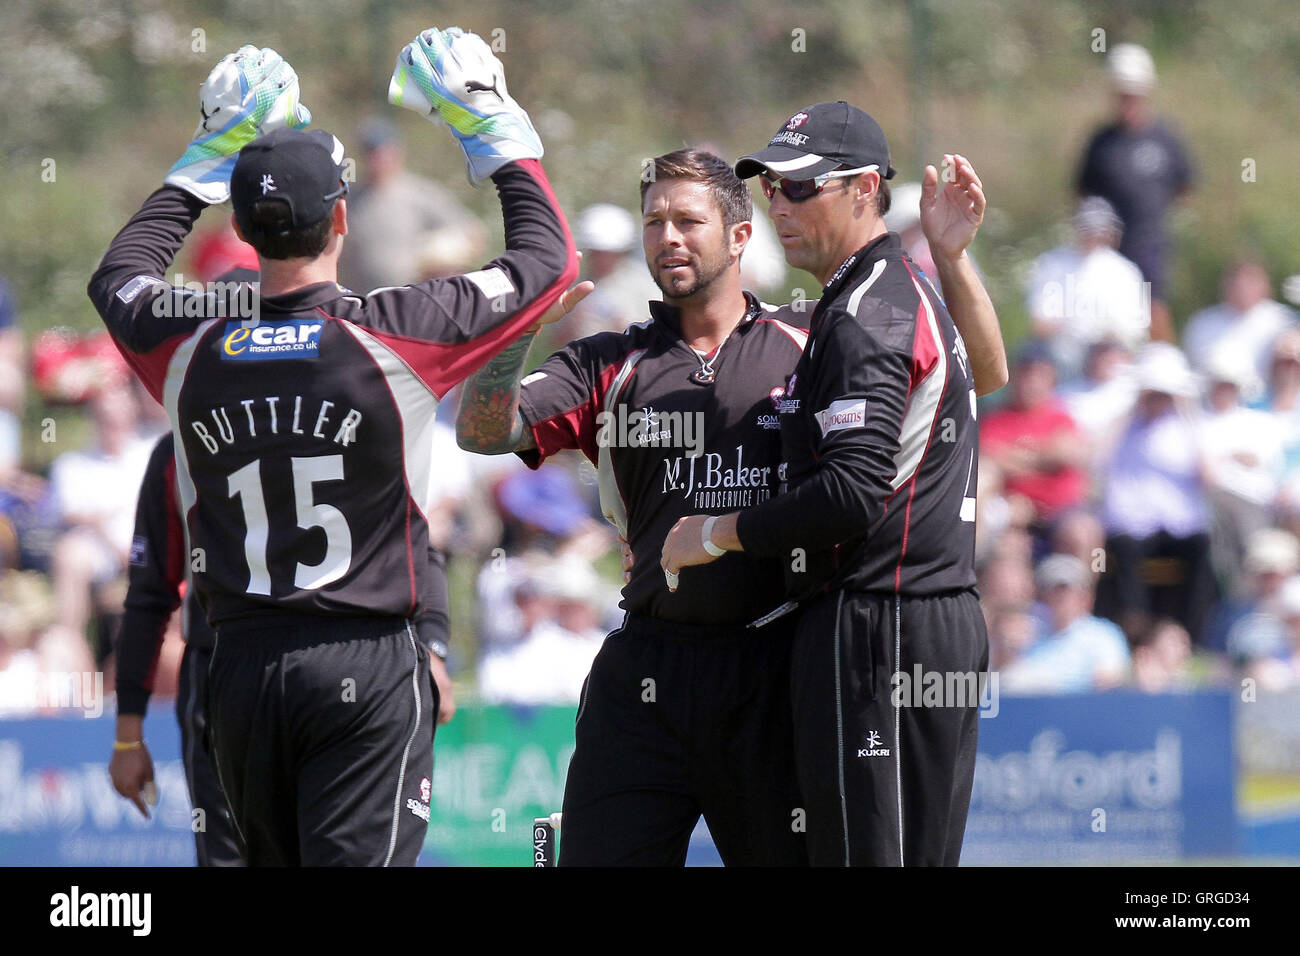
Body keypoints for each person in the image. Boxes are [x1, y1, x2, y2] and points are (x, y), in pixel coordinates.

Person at [86, 32, 577, 865]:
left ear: (239, 227)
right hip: (363, 666)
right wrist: (486, 123)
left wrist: (203, 159)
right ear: (342, 217)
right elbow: (548, 260)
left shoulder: (188, 344)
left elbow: (119, 275)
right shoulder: (397, 333)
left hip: (238, 670)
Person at [457, 138, 1004, 865]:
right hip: (646, 668)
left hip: (774, 668)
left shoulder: (812, 336)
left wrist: (954, 260)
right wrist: (509, 342)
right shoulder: (607, 361)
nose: (668, 237)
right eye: (653, 222)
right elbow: (480, 431)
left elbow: (981, 369)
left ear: (741, 236)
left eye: (688, 221)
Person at [662, 101, 995, 866]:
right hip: (921, 619)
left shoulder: (863, 314)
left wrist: (715, 534)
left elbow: (849, 495)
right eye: (772, 187)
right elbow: (991, 371)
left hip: (880, 624)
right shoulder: (893, 289)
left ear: (864, 189)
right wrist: (951, 255)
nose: (779, 204)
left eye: (802, 188)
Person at [1076, 42, 1193, 343]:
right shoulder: (1101, 143)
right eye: (1122, 93)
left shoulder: (1165, 139)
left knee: (1154, 313)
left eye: (1134, 93)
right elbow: (1084, 192)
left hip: (1150, 245)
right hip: (1108, 251)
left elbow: (1184, 184)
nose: (1128, 101)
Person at [1024, 196, 1150, 383]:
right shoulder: (1051, 264)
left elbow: (1138, 330)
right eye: (1089, 228)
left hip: (1112, 363)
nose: (1094, 235)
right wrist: (1074, 328)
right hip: (1063, 360)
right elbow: (1039, 323)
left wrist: (1106, 337)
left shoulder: (1125, 271)